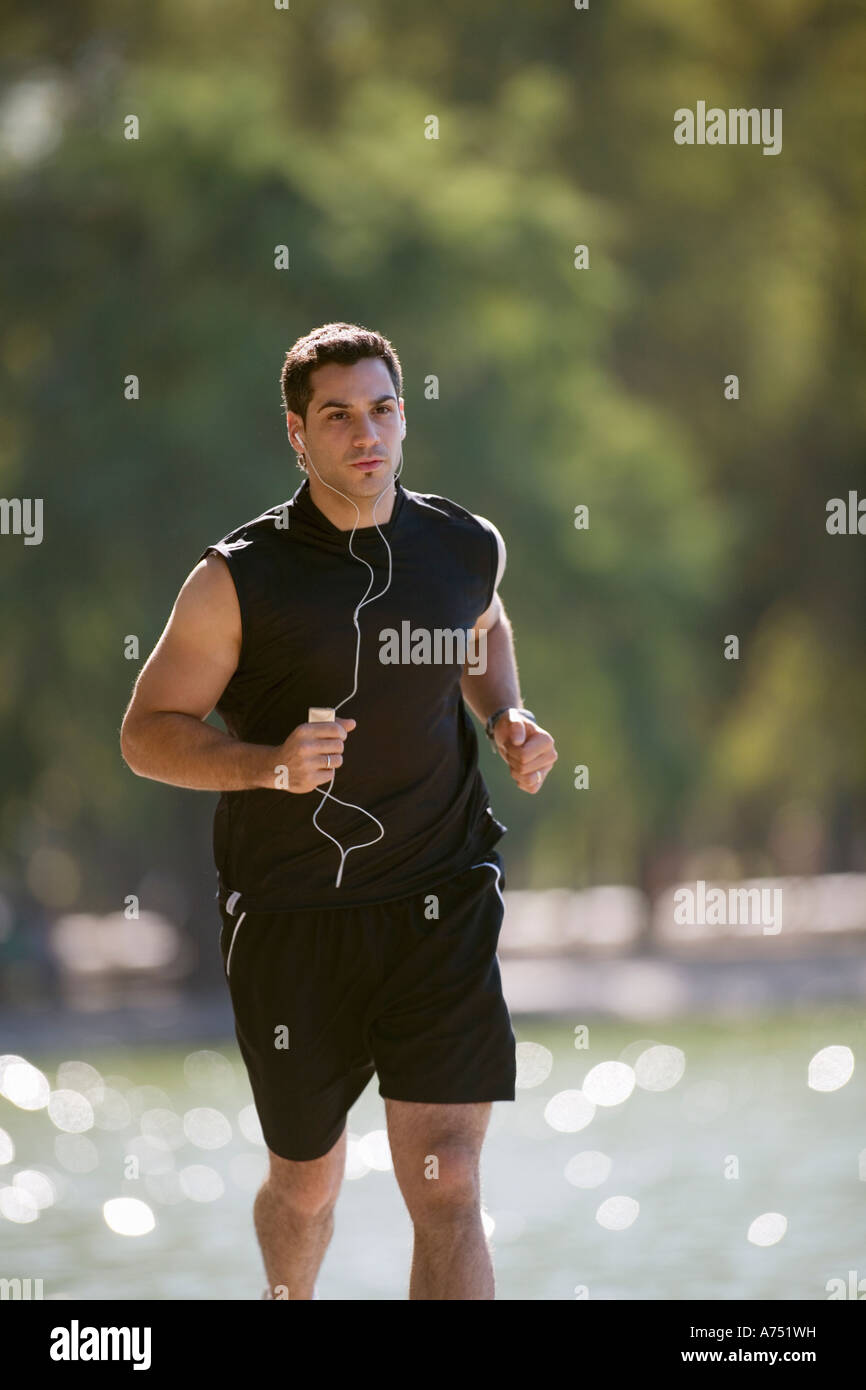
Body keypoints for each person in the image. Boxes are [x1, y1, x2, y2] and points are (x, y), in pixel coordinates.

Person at [120, 321, 557, 1300]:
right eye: (338, 415)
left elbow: (482, 626)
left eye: (383, 408)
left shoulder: (463, 545)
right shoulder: (236, 578)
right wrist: (268, 767)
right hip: (292, 914)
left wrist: (508, 714)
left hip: (440, 893)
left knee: (446, 1181)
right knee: (308, 1184)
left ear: (404, 415)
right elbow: (147, 730)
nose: (367, 433)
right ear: (295, 432)